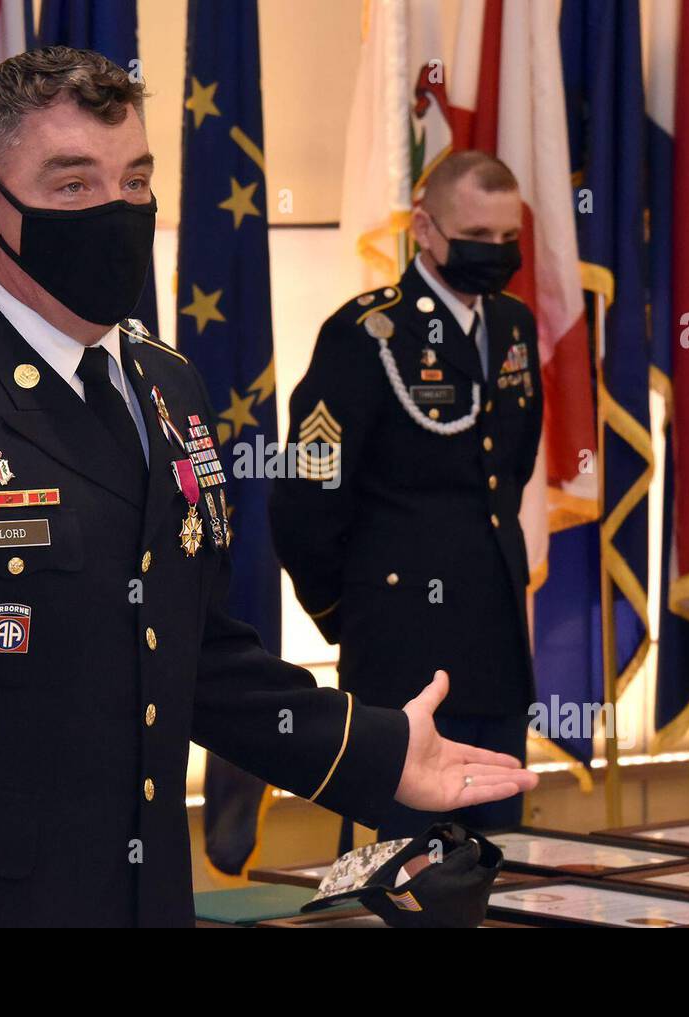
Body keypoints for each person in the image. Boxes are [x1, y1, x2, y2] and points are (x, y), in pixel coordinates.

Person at [0, 48, 537, 928]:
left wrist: (374, 751)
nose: (116, 213)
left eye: (136, 182)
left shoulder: (166, 386)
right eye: (73, 186)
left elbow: (198, 654)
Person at [270, 151, 541, 842]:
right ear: (424, 228)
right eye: (477, 237)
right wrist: (349, 615)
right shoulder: (366, 334)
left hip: (497, 651)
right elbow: (306, 497)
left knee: (492, 871)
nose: (497, 253)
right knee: (400, 877)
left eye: (509, 239)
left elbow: (509, 470)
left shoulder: (513, 325)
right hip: (401, 659)